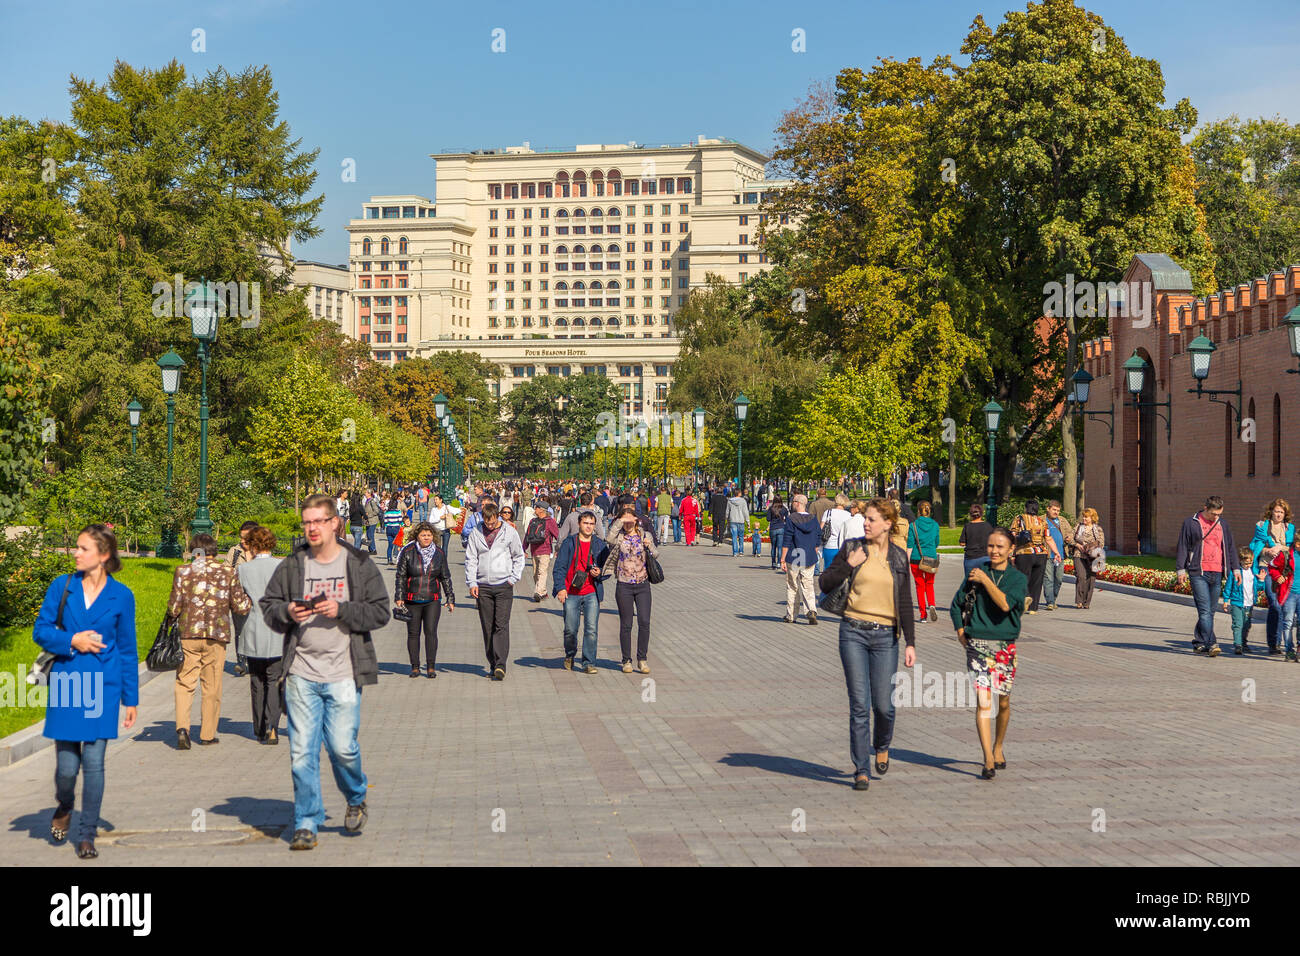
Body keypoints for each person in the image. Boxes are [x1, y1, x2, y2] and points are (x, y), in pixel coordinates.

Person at [261, 494, 389, 851]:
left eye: (319, 521)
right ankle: (306, 821)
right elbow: (269, 606)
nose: (312, 528)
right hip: (301, 672)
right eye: (307, 522)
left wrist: (342, 610)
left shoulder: (358, 564)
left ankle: (356, 794)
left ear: (335, 522)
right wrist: (287, 610)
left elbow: (380, 612)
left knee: (342, 748)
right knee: (301, 751)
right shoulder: (293, 564)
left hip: (345, 671)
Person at [34, 524, 138, 860]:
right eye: (76, 548)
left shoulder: (122, 596)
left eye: (83, 548)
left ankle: (86, 835)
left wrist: (130, 698)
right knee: (67, 769)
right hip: (67, 684)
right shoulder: (62, 587)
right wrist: (71, 640)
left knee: (94, 762)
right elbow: (41, 630)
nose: (75, 553)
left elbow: (127, 649)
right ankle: (65, 804)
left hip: (103, 689)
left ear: (104, 556)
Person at [818, 498, 917, 791]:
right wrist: (848, 565)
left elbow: (906, 603)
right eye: (865, 519)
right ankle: (861, 768)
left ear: (888, 524)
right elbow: (824, 583)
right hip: (853, 633)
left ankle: (882, 744)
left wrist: (911, 642)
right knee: (860, 704)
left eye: (872, 519)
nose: (866, 523)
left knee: (884, 706)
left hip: (886, 636)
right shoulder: (852, 549)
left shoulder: (898, 558)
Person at [949, 526, 1027, 780]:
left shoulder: (1017, 579)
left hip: (1005, 646)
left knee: (1003, 702)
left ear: (1010, 549)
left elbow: (1005, 604)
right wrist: (961, 631)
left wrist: (985, 581)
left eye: (999, 546)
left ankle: (999, 746)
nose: (993, 551)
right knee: (984, 703)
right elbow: (955, 604)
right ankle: (987, 759)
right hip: (978, 645)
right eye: (991, 546)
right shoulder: (977, 572)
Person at [168, 533, 252, 748]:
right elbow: (241, 606)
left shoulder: (183, 571)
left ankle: (182, 728)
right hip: (216, 636)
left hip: (188, 634)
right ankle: (207, 734)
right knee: (212, 685)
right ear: (214, 551)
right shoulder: (227, 571)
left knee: (185, 682)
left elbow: (174, 607)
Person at [464, 500, 526, 680]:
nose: (490, 526)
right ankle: (491, 661)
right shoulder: (476, 532)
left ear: (498, 517)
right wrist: (472, 582)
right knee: (487, 625)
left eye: (493, 522)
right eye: (487, 522)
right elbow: (471, 558)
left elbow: (518, 556)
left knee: (501, 625)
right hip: (483, 585)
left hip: (503, 585)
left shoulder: (509, 531)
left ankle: (500, 664)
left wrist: (513, 577)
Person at [1175, 495, 1242, 657]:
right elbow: (1183, 545)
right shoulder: (1191, 523)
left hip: (1217, 571)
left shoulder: (1222, 525)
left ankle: (1199, 642)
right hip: (1198, 571)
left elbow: (1231, 547)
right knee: (1204, 611)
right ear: (1205, 508)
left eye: (1219, 514)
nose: (1216, 517)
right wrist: (1181, 569)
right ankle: (1212, 643)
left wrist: (1236, 568)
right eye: (1214, 514)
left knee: (1210, 612)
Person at [236, 526, 285, 744]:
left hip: (253, 629)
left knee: (256, 680)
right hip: (277, 630)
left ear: (253, 545)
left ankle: (259, 727)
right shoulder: (282, 567)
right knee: (274, 679)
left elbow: (239, 599)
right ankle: (273, 726)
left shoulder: (244, 570)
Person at [394, 521, 456, 678]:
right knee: (413, 633)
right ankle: (415, 666)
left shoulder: (439, 553)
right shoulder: (408, 551)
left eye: (429, 535)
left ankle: (430, 667)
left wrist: (450, 597)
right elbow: (401, 576)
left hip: (432, 599)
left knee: (431, 633)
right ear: (417, 536)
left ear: (433, 536)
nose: (426, 538)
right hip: (412, 599)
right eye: (423, 535)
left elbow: (445, 576)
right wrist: (399, 596)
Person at [553, 510, 611, 673]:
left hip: (591, 591)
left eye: (592, 524)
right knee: (570, 629)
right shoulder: (569, 543)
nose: (589, 527)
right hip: (571, 592)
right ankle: (570, 654)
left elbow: (607, 568)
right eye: (585, 523)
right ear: (579, 524)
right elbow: (559, 567)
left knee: (591, 629)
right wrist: (560, 588)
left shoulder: (599, 544)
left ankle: (589, 662)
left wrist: (599, 572)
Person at [603, 505, 658, 673]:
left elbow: (656, 554)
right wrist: (620, 522)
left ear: (636, 519)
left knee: (644, 622)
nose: (627, 522)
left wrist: (649, 546)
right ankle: (626, 660)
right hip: (624, 585)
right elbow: (609, 539)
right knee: (626, 624)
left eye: (630, 519)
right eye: (624, 519)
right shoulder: (619, 537)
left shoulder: (645, 535)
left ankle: (642, 659)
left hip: (643, 584)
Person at [1249, 499, 1294, 655]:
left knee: (1282, 606)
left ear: (1285, 514)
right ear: (1271, 512)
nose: (1279, 514)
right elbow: (1256, 546)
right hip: (1267, 569)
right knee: (1274, 604)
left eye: (1281, 512)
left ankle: (1277, 643)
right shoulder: (1262, 526)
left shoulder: (1290, 528)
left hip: (1285, 571)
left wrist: (1281, 547)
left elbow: (1294, 547)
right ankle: (1273, 642)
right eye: (1276, 511)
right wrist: (1267, 551)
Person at [781, 493, 822, 625]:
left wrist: (782, 559)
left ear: (798, 503)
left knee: (793, 586)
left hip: (794, 556)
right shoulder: (813, 519)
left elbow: (787, 539)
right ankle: (811, 610)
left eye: (793, 501)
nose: (792, 503)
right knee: (808, 584)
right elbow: (818, 538)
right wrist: (814, 552)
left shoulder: (791, 519)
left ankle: (791, 615)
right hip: (809, 556)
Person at [226, 520, 259, 676]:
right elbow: (226, 571)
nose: (242, 541)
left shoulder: (261, 552)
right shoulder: (235, 551)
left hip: (257, 599)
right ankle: (241, 662)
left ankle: (255, 661)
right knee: (240, 630)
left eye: (246, 538)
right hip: (238, 597)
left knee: (255, 629)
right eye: (241, 537)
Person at [1010, 499, 1049, 613]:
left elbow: (1012, 535)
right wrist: (1056, 553)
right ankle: (1033, 608)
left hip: (1024, 552)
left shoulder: (1019, 519)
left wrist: (1011, 552)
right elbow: (1048, 538)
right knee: (1037, 581)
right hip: (1041, 554)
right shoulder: (1042, 521)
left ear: (1026, 508)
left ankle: (1025, 597)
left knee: (1022, 578)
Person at [907, 500, 941, 623]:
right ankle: (932, 604)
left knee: (919, 586)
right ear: (929, 511)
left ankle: (923, 615)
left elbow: (910, 544)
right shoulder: (935, 525)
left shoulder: (913, 525)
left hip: (916, 559)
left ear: (919, 511)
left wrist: (906, 560)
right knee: (930, 584)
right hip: (931, 558)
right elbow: (936, 542)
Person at [1267, 538, 1300, 661]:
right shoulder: (1286, 555)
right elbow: (1271, 566)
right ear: (1297, 544)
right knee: (1288, 623)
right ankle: (1289, 650)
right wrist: (1277, 576)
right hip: (1289, 594)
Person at [1222, 545, 1257, 655]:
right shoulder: (1235, 573)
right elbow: (1228, 587)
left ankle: (1243, 642)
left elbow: (1258, 587)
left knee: (1247, 625)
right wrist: (1226, 600)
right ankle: (1238, 645)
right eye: (1246, 563)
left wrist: (1261, 580)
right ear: (1240, 561)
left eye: (1250, 563)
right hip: (1237, 603)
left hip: (1249, 603)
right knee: (1238, 624)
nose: (1248, 565)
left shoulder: (1252, 573)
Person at [524, 501, 561, 602]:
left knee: (542, 572)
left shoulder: (550, 521)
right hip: (534, 551)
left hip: (545, 551)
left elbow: (558, 536)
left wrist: (559, 549)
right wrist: (524, 549)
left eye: (536, 507)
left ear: (541, 509)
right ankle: (543, 592)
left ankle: (538, 592)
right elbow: (527, 536)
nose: (534, 509)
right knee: (536, 574)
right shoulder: (533, 521)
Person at [1041, 500, 1074, 611]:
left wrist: (1069, 537)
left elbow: (1070, 532)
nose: (1056, 512)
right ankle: (1050, 602)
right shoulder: (1041, 520)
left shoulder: (1062, 520)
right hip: (1047, 554)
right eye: (1054, 510)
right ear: (1048, 508)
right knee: (1048, 578)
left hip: (1061, 554)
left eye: (1058, 510)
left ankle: (1053, 599)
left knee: (1058, 578)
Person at [1070, 508, 1105, 609]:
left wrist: (1090, 547)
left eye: (1086, 517)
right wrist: (1076, 544)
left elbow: (1101, 543)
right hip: (1079, 554)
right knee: (1081, 577)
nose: (1084, 518)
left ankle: (1086, 602)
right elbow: (1069, 537)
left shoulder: (1098, 529)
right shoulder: (1078, 527)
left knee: (1091, 578)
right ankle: (1079, 601)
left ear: (1092, 518)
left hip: (1093, 557)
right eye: (1083, 516)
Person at [821, 493, 853, 569]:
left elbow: (821, 528)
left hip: (829, 545)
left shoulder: (828, 512)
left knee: (828, 569)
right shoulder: (848, 515)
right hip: (842, 546)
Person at [960, 504, 993, 575]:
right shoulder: (988, 526)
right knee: (986, 582)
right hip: (985, 557)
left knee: (969, 582)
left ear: (971, 514)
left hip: (970, 558)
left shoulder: (967, 526)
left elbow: (962, 543)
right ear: (981, 514)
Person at [766, 495, 789, 570]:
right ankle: (779, 563)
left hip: (773, 528)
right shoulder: (783, 508)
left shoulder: (771, 508)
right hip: (781, 528)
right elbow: (787, 519)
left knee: (773, 547)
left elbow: (768, 519)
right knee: (779, 547)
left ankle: (773, 563)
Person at [727, 486, 750, 557]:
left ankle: (735, 552)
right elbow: (745, 512)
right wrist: (748, 521)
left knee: (734, 537)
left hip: (733, 520)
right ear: (739, 493)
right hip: (741, 520)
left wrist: (727, 519)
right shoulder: (743, 501)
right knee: (741, 537)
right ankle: (741, 551)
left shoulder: (730, 501)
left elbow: (727, 511)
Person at [383, 495, 404, 565]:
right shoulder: (397, 512)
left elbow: (385, 522)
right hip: (396, 528)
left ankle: (389, 559)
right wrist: (403, 526)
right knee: (397, 544)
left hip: (389, 529)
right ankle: (397, 558)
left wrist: (387, 525)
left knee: (390, 545)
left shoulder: (387, 512)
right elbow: (400, 521)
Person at [363, 489, 381, 554]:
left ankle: (373, 549)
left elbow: (376, 511)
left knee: (371, 535)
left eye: (366, 492)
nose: (364, 493)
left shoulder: (372, 501)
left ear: (369, 494)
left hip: (372, 521)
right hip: (368, 521)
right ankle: (370, 549)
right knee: (368, 535)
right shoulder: (367, 501)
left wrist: (369, 515)